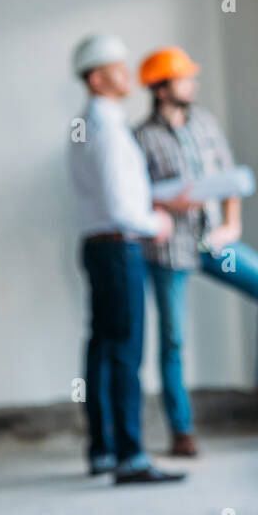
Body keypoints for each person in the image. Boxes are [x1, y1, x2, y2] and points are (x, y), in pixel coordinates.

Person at [134, 47, 258, 458]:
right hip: (169, 251)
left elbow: (230, 178)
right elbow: (131, 198)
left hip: (213, 243)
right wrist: (165, 204)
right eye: (184, 79)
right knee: (173, 341)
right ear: (161, 89)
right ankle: (182, 432)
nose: (192, 84)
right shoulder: (142, 137)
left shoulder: (205, 124)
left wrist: (231, 226)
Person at [68, 33, 186, 485]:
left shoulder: (88, 124)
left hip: (98, 245)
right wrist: (155, 221)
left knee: (102, 347)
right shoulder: (108, 128)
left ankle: (103, 449)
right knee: (125, 352)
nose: (127, 73)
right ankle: (131, 456)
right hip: (119, 247)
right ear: (97, 78)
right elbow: (121, 207)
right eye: (117, 67)